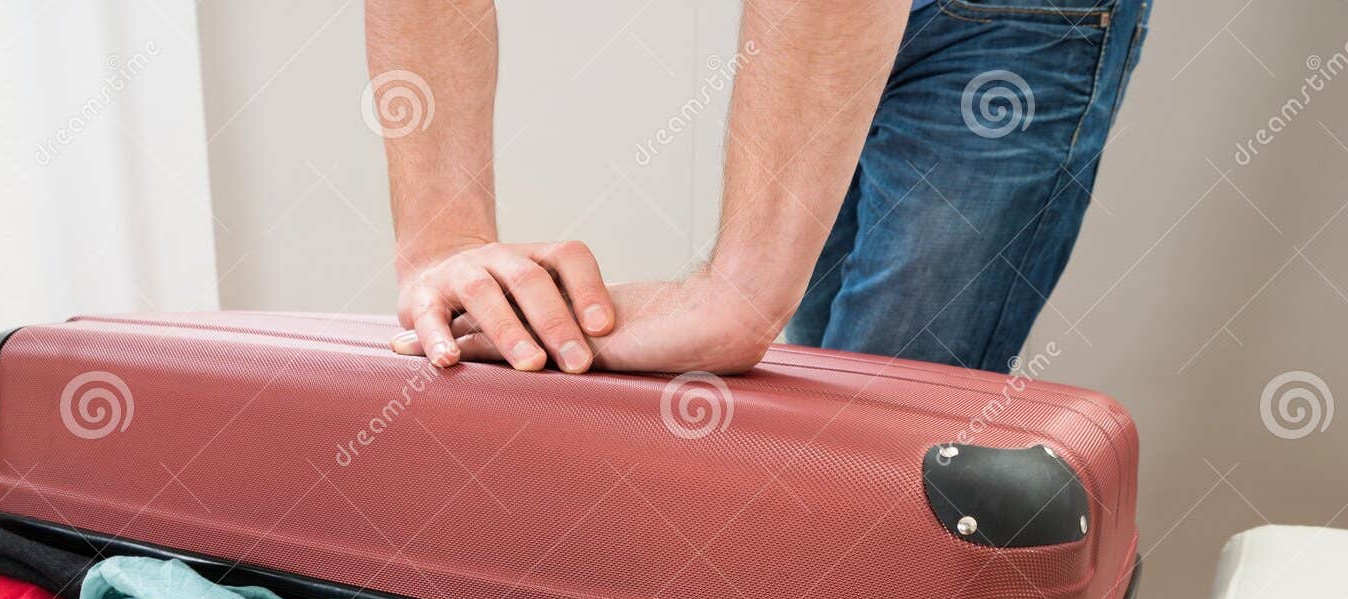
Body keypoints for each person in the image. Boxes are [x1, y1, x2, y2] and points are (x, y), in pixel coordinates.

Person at [367, 0, 1151, 376]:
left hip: (1016, 20)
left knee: (878, 416)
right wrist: (445, 244)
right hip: (810, 21)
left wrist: (738, 293)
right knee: (817, 407)